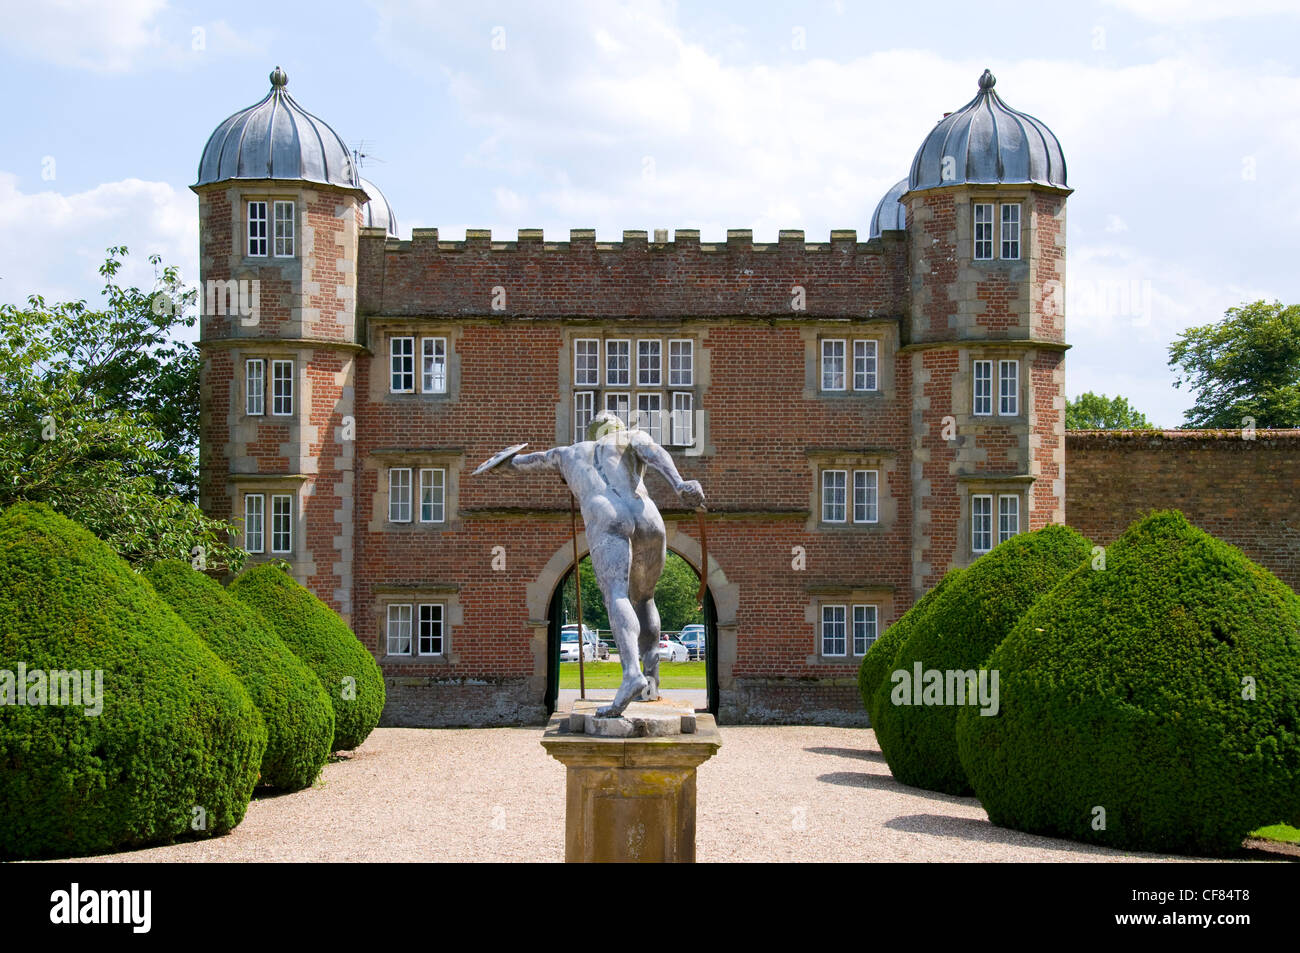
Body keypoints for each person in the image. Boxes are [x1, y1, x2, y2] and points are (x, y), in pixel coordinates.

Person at [480, 411, 705, 717]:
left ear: (591, 433)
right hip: (647, 514)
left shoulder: (567, 453)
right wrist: (679, 484)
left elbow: (520, 464)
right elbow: (653, 451)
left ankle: (630, 674)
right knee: (645, 598)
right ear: (617, 429)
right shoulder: (629, 437)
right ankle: (651, 684)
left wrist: (501, 462)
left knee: (617, 594)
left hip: (605, 511)